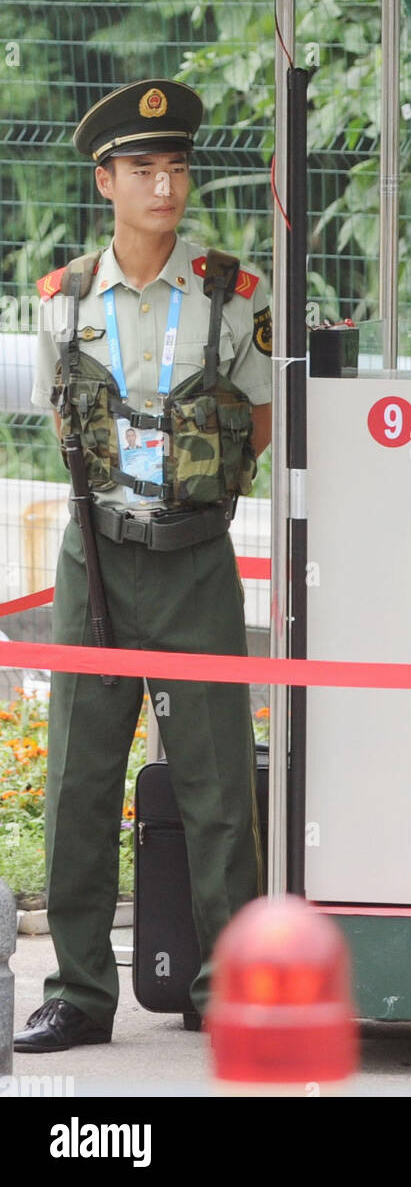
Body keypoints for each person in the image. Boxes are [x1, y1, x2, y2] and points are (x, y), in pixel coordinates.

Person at [16, 79, 272, 1050]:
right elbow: (59, 419)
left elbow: (255, 417)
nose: (163, 183)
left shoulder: (230, 294)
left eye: (175, 166)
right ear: (106, 180)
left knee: (214, 783)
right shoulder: (63, 301)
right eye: (141, 168)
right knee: (80, 777)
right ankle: (80, 992)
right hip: (97, 559)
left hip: (195, 556)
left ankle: (224, 984)